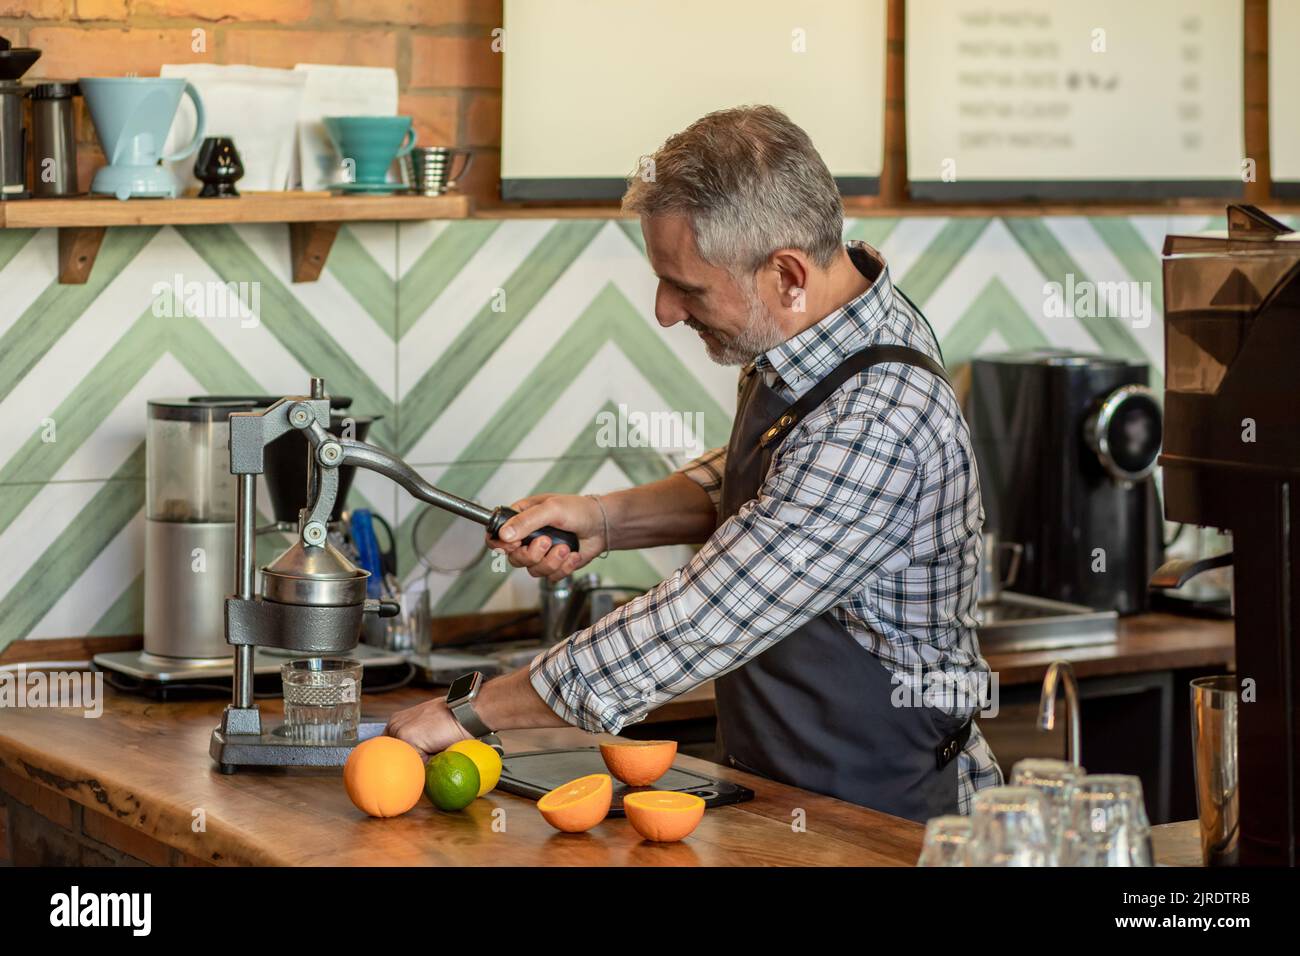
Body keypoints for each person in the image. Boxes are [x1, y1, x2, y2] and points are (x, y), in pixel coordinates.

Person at [386, 105, 1003, 819]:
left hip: (885, 808)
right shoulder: (831, 320)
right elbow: (780, 479)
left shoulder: (882, 417)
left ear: (787, 274)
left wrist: (469, 712)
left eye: (688, 287)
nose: (664, 311)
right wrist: (605, 520)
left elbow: (705, 615)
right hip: (786, 789)